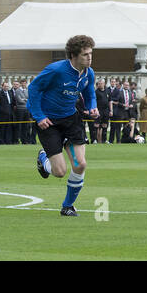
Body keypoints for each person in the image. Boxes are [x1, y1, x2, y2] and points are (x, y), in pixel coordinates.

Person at [29, 35, 99, 217]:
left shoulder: (88, 73)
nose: (89, 58)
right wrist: (39, 116)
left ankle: (67, 205)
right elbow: (33, 89)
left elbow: (89, 93)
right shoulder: (56, 70)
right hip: (49, 123)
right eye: (85, 55)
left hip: (71, 121)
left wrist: (92, 107)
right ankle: (43, 160)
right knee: (60, 172)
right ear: (73, 56)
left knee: (80, 164)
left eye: (91, 54)